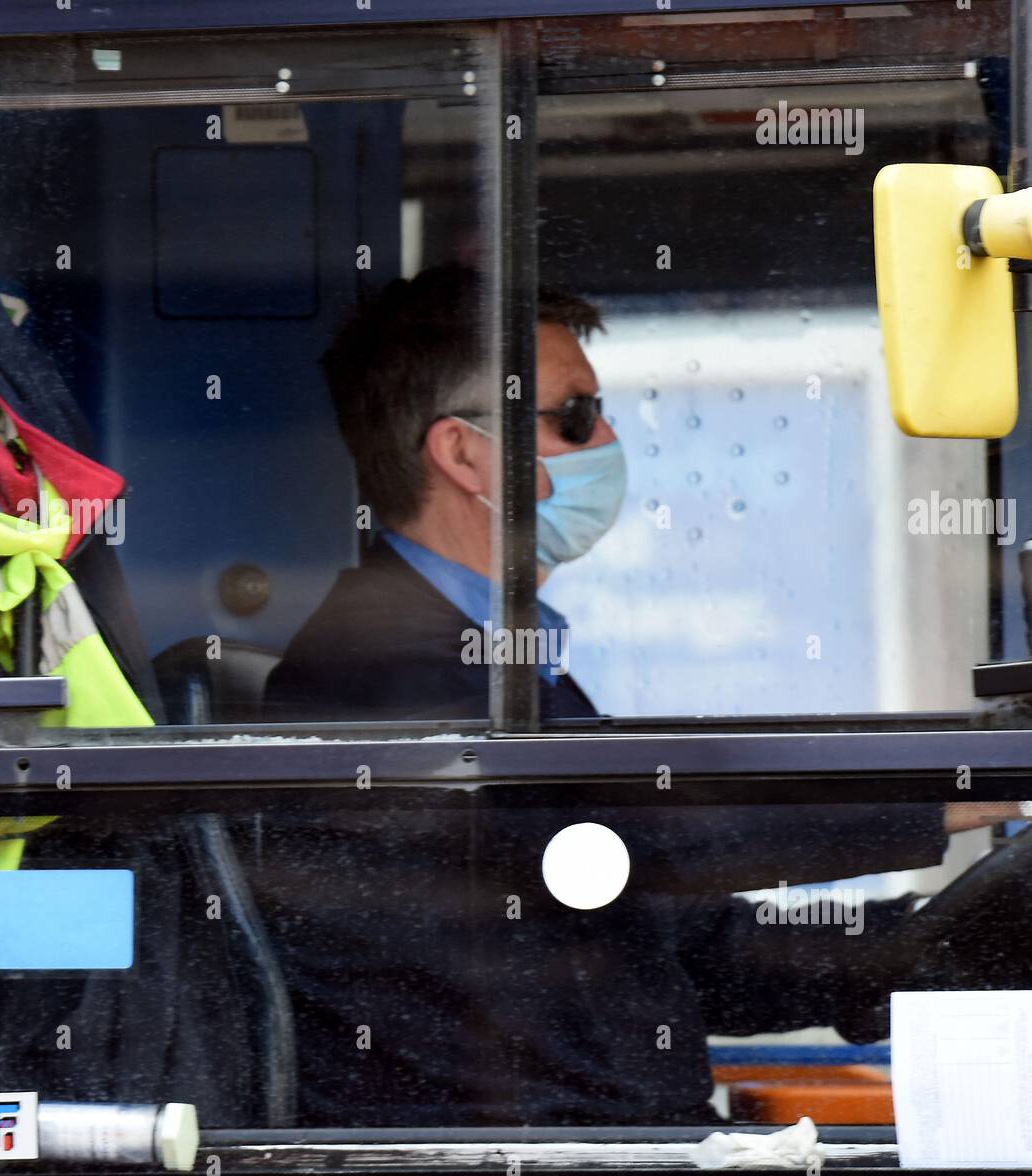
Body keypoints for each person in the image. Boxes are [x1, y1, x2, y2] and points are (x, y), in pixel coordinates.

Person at [255, 265, 1019, 1127]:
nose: (608, 436)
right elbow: (643, 832)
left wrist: (939, 940)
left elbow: (671, 941)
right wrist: (975, 778)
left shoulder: (509, 664)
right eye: (575, 416)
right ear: (464, 452)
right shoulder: (381, 668)